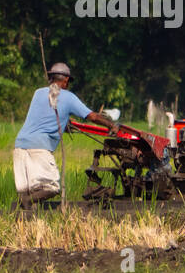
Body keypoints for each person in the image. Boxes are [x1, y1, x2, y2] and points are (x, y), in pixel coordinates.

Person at [13, 62, 116, 207]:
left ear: (51, 78)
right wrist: (112, 125)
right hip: (39, 147)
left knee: (29, 191)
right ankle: (26, 202)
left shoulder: (38, 93)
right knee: (52, 188)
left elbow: (45, 116)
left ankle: (24, 215)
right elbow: (92, 116)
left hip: (20, 146)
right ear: (66, 80)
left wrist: (63, 123)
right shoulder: (68, 97)